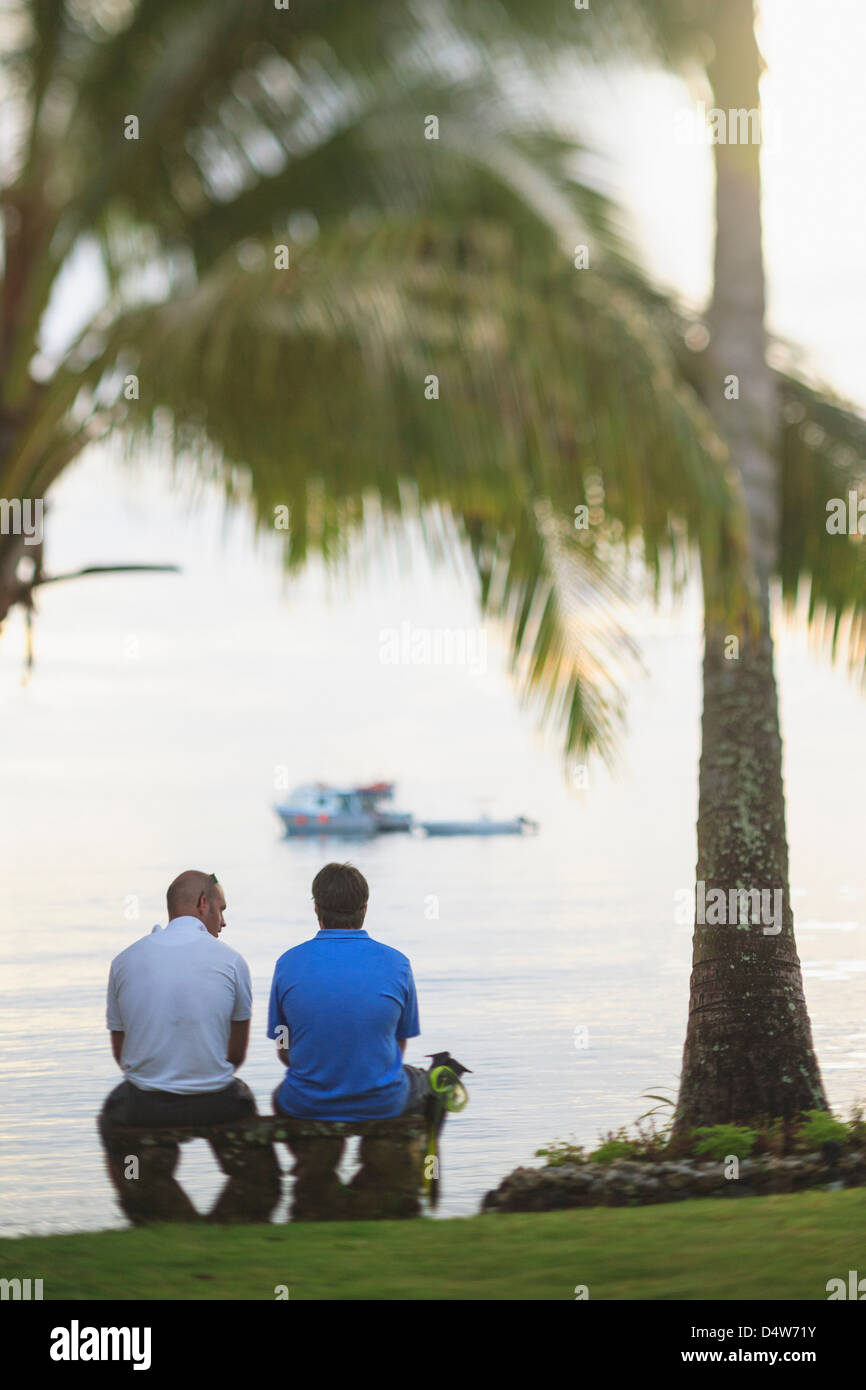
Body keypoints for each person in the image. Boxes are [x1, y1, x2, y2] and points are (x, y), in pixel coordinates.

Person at [98, 870, 280, 1223]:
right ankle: (230, 1222)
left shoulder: (124, 961)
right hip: (216, 1103)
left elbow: (123, 1056)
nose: (224, 922)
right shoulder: (232, 961)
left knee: (110, 1117)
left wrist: (161, 1074)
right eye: (221, 909)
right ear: (202, 904)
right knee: (248, 1115)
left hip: (145, 1104)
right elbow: (235, 1056)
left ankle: (140, 1205)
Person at [267, 861, 427, 1120]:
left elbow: (284, 1049)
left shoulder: (287, 964)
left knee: (279, 1096)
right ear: (364, 908)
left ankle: (321, 1156)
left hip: (306, 1102)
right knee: (422, 1081)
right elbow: (398, 1045)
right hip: (382, 1102)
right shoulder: (398, 963)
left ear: (316, 908)